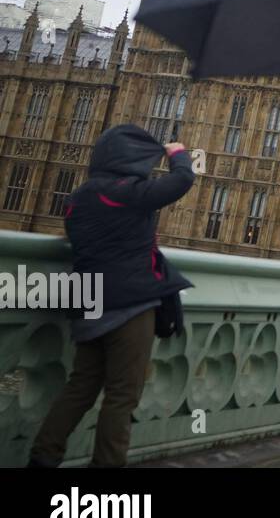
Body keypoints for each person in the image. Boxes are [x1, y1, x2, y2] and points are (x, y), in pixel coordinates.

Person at [28, 125, 195, 468]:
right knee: (122, 396)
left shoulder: (79, 196)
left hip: (87, 299)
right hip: (128, 305)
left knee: (80, 387)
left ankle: (43, 457)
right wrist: (177, 154)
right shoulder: (126, 192)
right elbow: (181, 182)